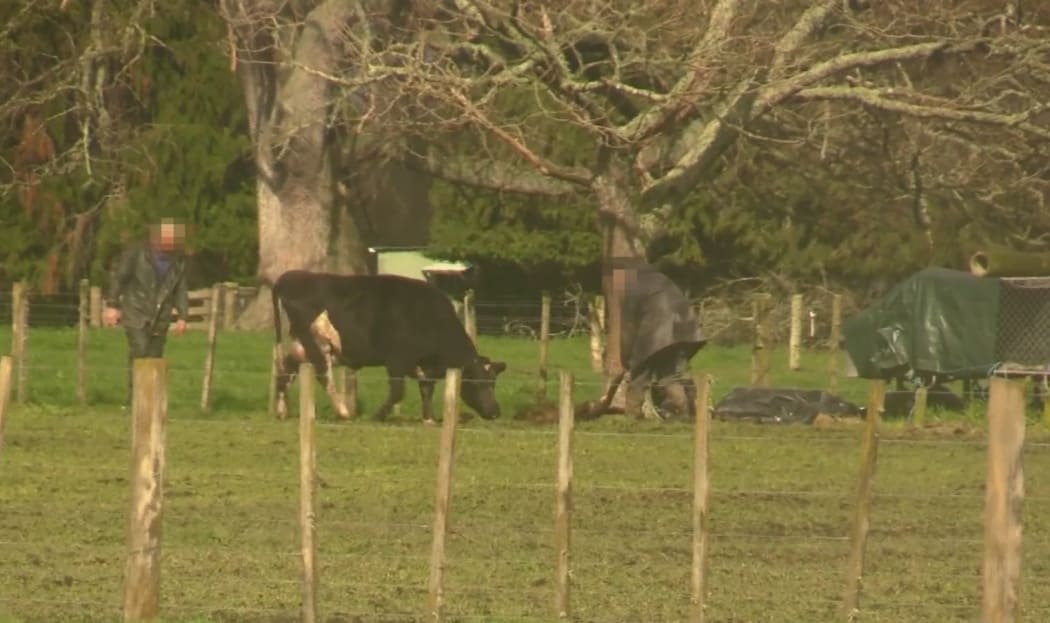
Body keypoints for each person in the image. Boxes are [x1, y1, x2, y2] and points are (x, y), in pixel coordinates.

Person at [103, 218, 190, 406]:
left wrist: (183, 316)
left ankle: (151, 401)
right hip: (136, 311)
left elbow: (180, 290)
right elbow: (120, 279)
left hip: (161, 317)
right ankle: (135, 398)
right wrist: (112, 305)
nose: (169, 241)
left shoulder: (178, 262)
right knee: (140, 351)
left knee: (155, 356)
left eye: (172, 237)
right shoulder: (137, 254)